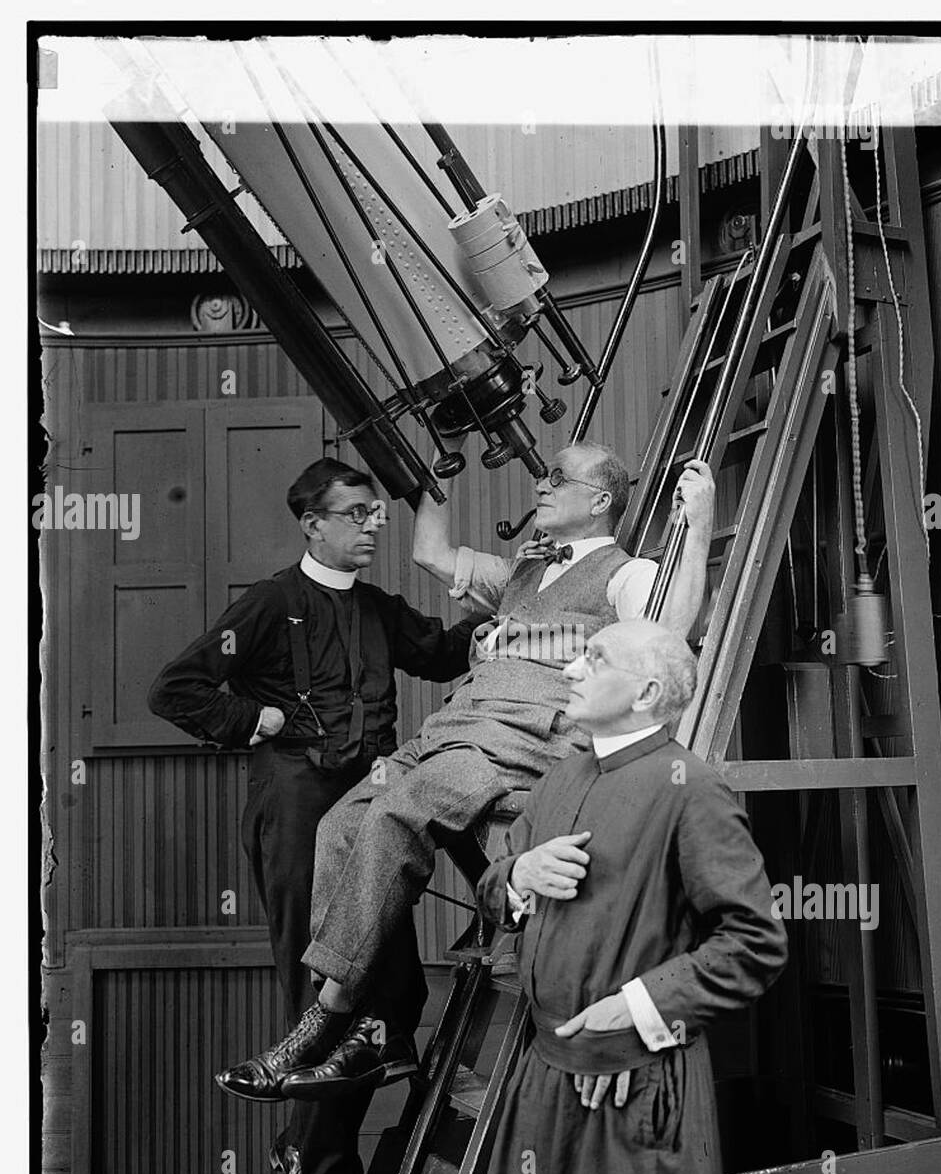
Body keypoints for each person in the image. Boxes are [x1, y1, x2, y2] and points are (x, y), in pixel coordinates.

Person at [217, 441, 716, 1108]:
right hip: (455, 731)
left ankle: (324, 1022)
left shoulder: (625, 574)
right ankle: (382, 1034)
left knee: (403, 809)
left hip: (519, 741)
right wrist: (421, 471)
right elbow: (431, 552)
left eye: (557, 478)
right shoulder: (519, 569)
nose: (541, 484)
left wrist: (702, 521)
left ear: (599, 500)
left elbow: (669, 632)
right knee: (340, 825)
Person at [148, 458, 483, 1174]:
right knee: (327, 991)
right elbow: (177, 689)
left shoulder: (373, 608)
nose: (373, 525)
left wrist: (523, 598)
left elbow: (440, 651)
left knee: (394, 998)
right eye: (357, 513)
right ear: (314, 523)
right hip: (296, 812)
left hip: (372, 816)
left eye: (376, 513)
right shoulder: (269, 603)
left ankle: (298, 1147)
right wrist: (257, 723)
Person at [469, 619, 788, 1174]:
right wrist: (515, 875)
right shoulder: (564, 775)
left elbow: (754, 943)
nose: (570, 669)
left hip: (635, 1089)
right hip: (543, 1077)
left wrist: (636, 1011)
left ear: (644, 693)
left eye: (594, 658)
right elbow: (494, 884)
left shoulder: (693, 790)